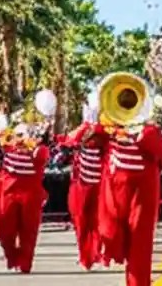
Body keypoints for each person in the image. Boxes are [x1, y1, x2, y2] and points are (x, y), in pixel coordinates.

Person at [99, 89, 162, 285]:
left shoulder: (150, 132)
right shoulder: (107, 130)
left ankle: (138, 282)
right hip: (114, 191)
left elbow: (159, 152)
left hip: (142, 194)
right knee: (110, 231)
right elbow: (80, 139)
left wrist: (137, 133)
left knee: (140, 240)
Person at [0, 120, 49, 273]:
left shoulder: (39, 151)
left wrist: (34, 145)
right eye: (19, 135)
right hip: (9, 193)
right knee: (5, 230)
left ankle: (25, 263)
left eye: (25, 135)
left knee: (29, 231)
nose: (22, 139)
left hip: (30, 194)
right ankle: (12, 258)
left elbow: (42, 157)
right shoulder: (8, 148)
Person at [64, 97, 106, 270]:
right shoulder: (82, 131)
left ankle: (97, 253)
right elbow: (68, 141)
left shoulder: (105, 132)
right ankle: (85, 256)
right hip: (82, 184)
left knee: (100, 222)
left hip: (101, 185)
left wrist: (96, 128)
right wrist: (85, 127)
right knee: (81, 222)